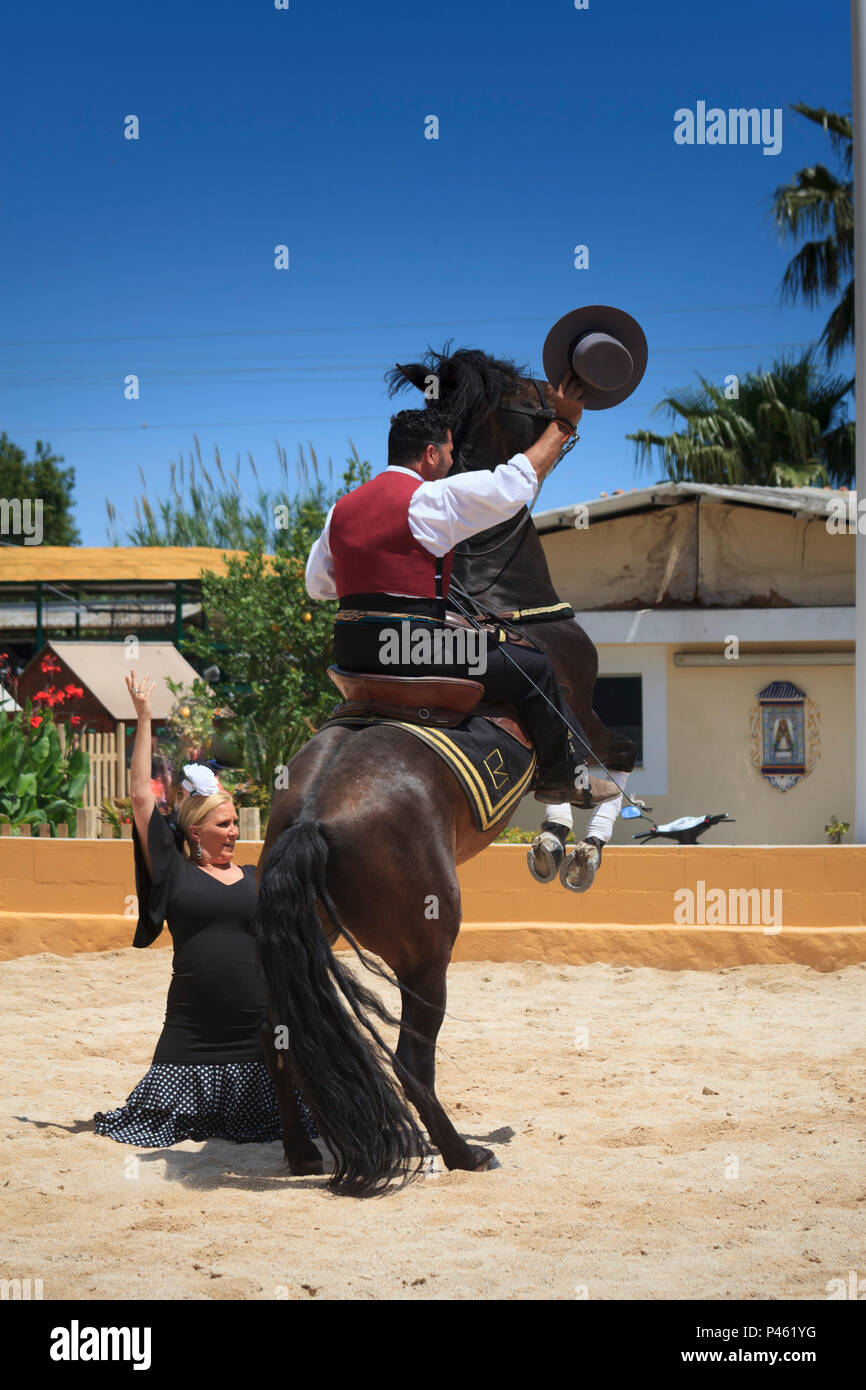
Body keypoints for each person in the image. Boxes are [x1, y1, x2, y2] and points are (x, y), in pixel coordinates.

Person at [305, 374, 619, 806]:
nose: (453, 463)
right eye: (450, 453)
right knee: (534, 665)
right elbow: (514, 483)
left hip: (350, 654)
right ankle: (561, 778)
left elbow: (318, 585)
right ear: (430, 454)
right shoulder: (429, 500)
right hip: (413, 649)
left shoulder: (341, 509)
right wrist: (563, 424)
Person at [93, 671, 315, 1148]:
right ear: (196, 831)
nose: (234, 831)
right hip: (192, 1030)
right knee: (153, 1124)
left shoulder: (258, 875)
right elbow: (140, 799)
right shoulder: (173, 873)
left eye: (235, 822)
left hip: (257, 1028)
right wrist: (145, 717)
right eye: (224, 823)